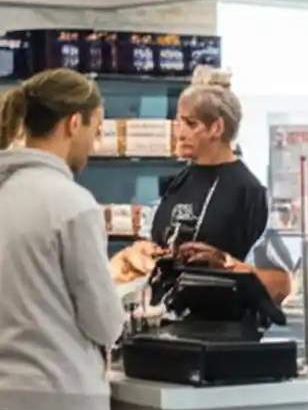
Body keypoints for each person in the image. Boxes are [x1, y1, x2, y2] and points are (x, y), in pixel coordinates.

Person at [0, 69, 126, 410]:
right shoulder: (71, 203)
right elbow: (103, 322)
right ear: (73, 123)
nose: (93, 146)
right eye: (95, 132)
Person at [110, 66, 291, 301]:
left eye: (190, 124)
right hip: (167, 322)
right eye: (178, 123)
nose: (180, 133)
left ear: (216, 128)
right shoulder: (181, 180)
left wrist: (224, 264)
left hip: (222, 329)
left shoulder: (249, 192)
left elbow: (281, 284)